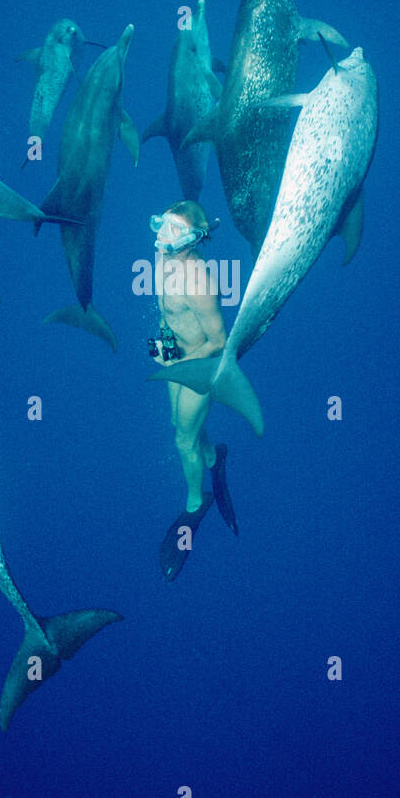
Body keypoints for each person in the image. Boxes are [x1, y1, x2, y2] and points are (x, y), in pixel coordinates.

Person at [149, 200, 238, 579]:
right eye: (162, 224)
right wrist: (164, 346)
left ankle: (193, 504)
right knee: (178, 422)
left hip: (201, 365)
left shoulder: (199, 281)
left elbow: (219, 340)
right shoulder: (161, 257)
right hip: (174, 354)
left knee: (182, 442)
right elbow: (165, 309)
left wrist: (187, 367)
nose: (162, 235)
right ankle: (214, 459)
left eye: (173, 231)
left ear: (192, 240)